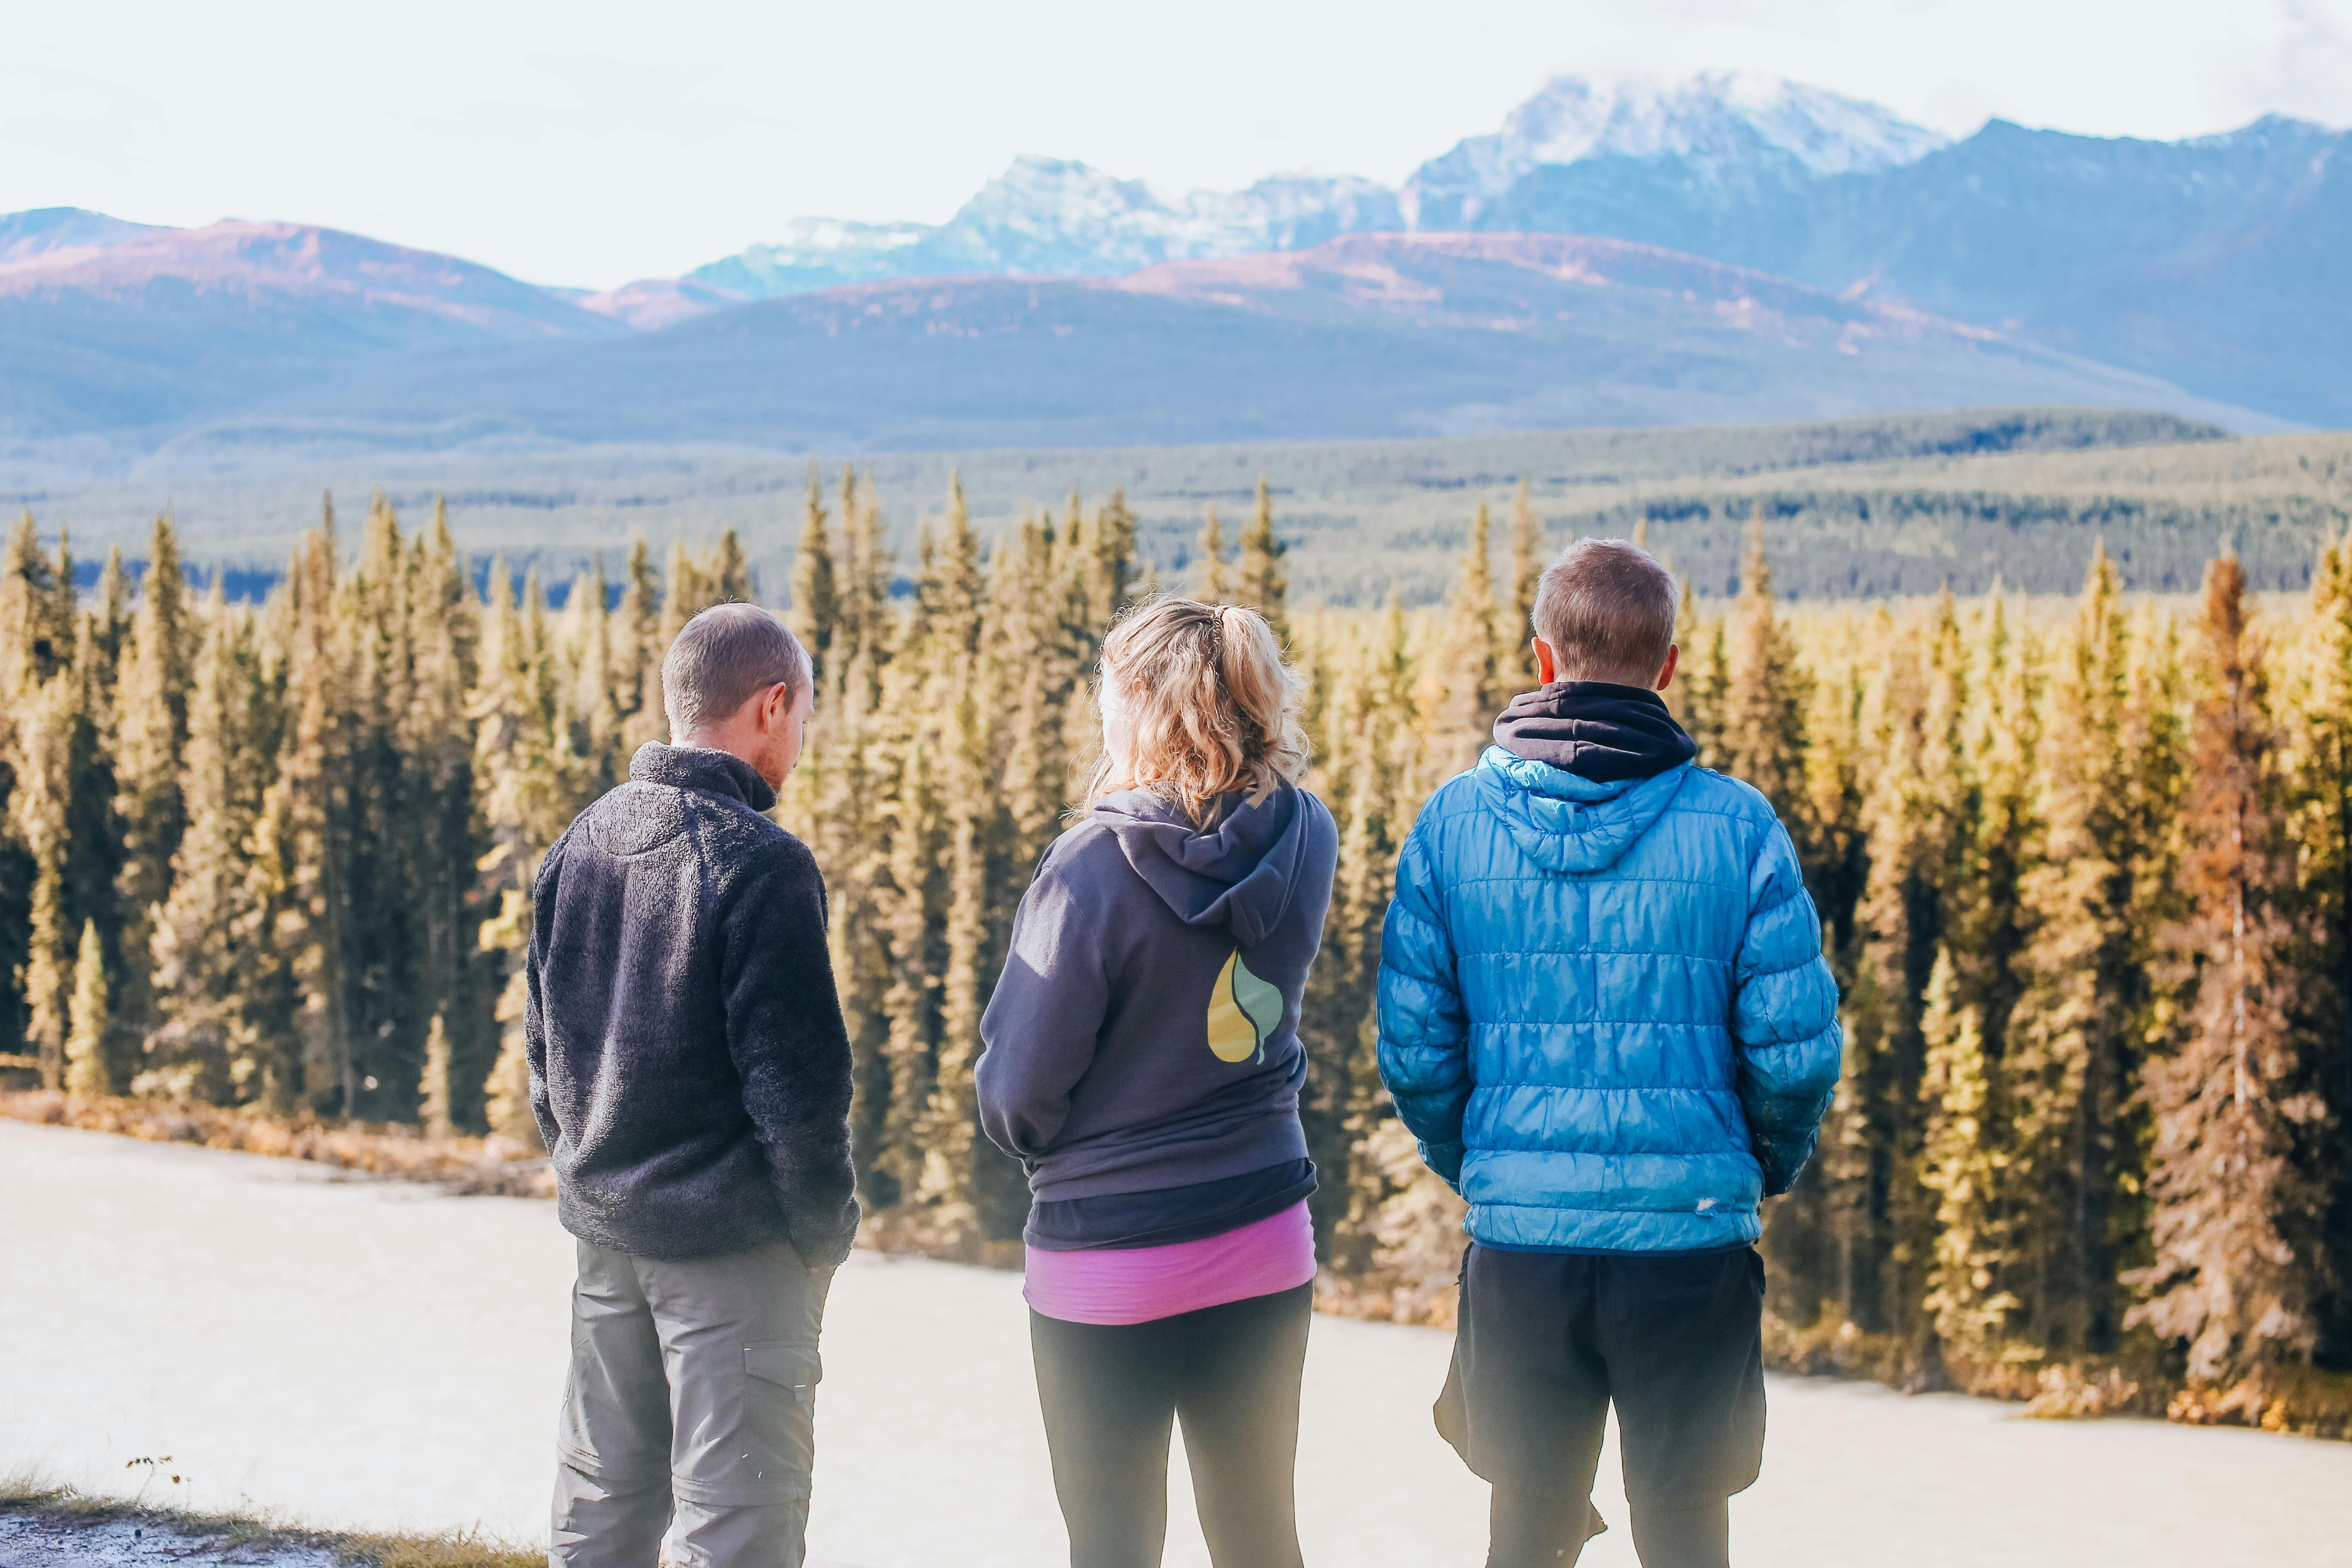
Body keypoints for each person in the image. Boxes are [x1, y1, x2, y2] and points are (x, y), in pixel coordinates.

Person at [1376, 539, 1842, 1568]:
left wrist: (1489, 1166)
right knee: (1686, 1538)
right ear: (1667, 666)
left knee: (1526, 1535)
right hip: (1691, 1244)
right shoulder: (1740, 827)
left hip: (1522, 1249)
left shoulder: (1452, 825)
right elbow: (1796, 1054)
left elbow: (1414, 1050)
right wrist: (1753, 1167)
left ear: (1544, 659)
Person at [976, 597, 1340, 1568]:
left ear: (1139, 700)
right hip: (1264, 1232)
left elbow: (1017, 1090)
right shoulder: (1306, 832)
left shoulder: (1088, 868)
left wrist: (1051, 1146)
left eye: (1104, 691)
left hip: (1110, 1252)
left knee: (1113, 1548)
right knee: (1261, 1539)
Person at [526, 602, 859, 1568]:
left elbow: (544, 1055)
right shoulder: (762, 864)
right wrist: (822, 1235)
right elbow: (800, 1093)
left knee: (599, 1514)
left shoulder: (580, 842)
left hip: (605, 1242)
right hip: (734, 1254)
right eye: (802, 718)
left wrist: (589, 1177)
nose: (800, 742)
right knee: (736, 1531)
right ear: (772, 704)